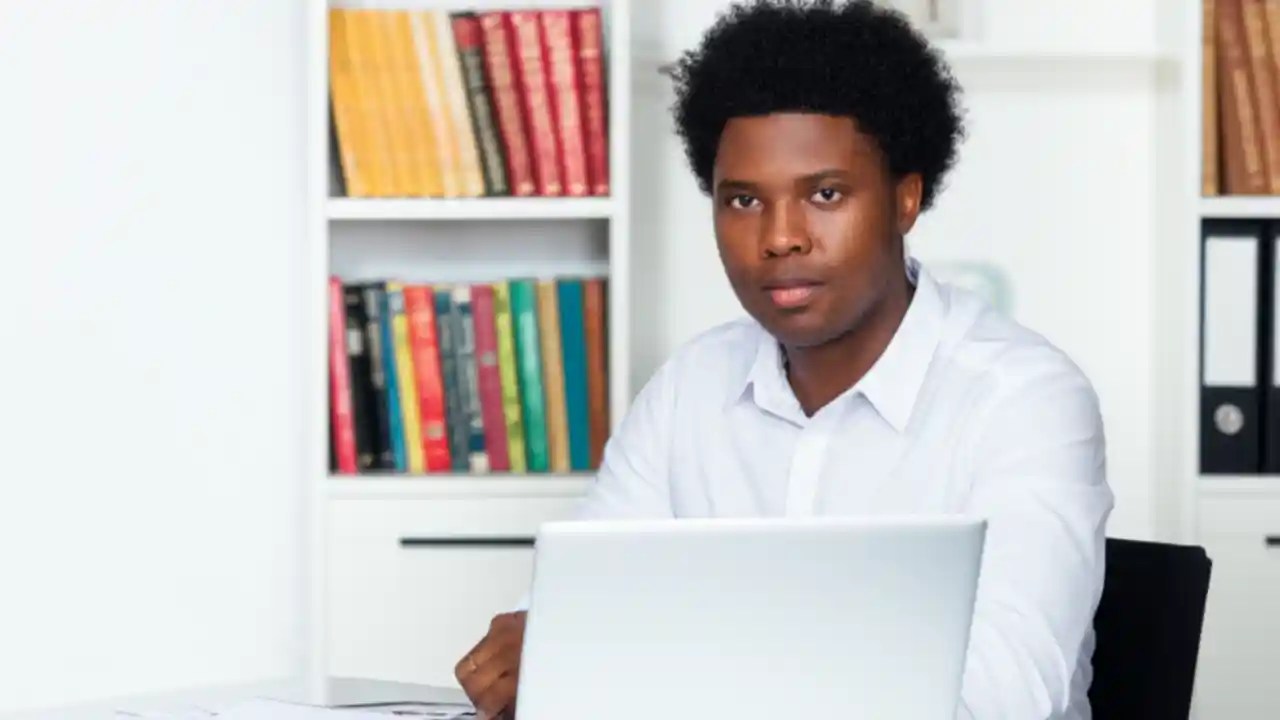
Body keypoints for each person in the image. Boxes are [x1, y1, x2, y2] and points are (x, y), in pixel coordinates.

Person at [454, 1, 1114, 718]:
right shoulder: (688, 391)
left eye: (824, 194)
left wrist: (661, 660)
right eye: (743, 201)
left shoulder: (1022, 400)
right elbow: (555, 633)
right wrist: (530, 661)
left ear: (905, 199)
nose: (779, 238)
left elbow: (1003, 703)